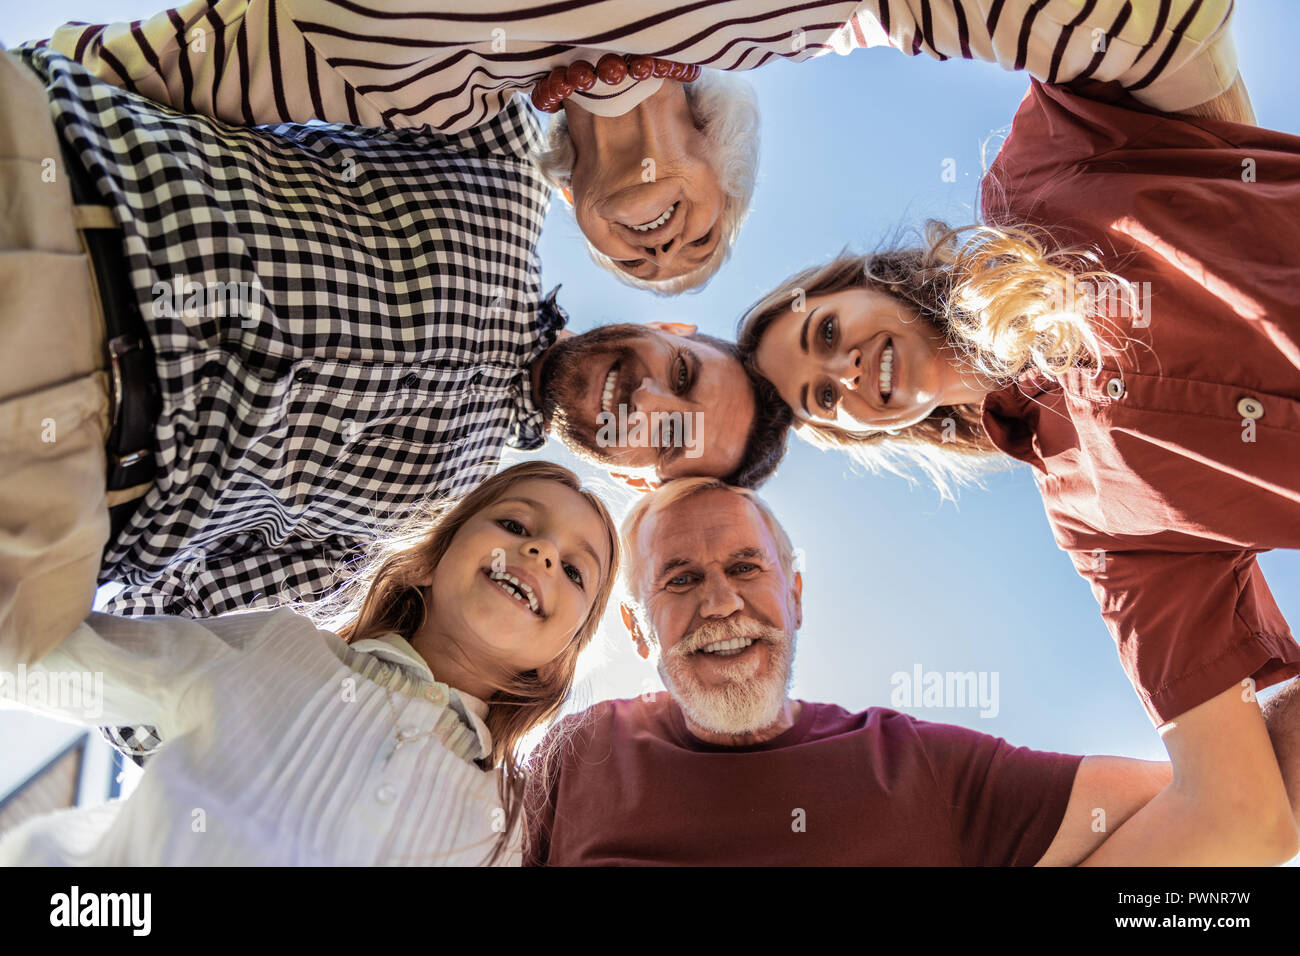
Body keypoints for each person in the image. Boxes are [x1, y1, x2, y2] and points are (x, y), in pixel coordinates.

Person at [736, 60, 1300, 858]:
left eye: (824, 333)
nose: (845, 372)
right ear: (865, 434)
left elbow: (1154, 30)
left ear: (862, 284)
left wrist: (1216, 118)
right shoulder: (1100, 531)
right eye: (824, 401)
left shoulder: (1042, 175)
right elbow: (1245, 815)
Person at [34, 0, 1246, 293]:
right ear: (726, 163)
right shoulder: (790, 21)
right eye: (707, 236)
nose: (667, 253)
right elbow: (1157, 29)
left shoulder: (414, 95)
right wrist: (1243, 245)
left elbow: (117, 76)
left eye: (641, 268)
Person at [525, 478, 1300, 866]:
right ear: (634, 627)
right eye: (681, 580)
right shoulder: (578, 754)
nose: (722, 604)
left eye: (744, 567)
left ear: (795, 595)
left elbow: (1237, 807)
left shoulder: (917, 768)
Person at [0, 461, 618, 866]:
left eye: (572, 570)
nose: (538, 552)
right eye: (514, 523)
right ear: (428, 563)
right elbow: (54, 654)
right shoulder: (275, 647)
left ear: (559, 661)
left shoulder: (510, 825)